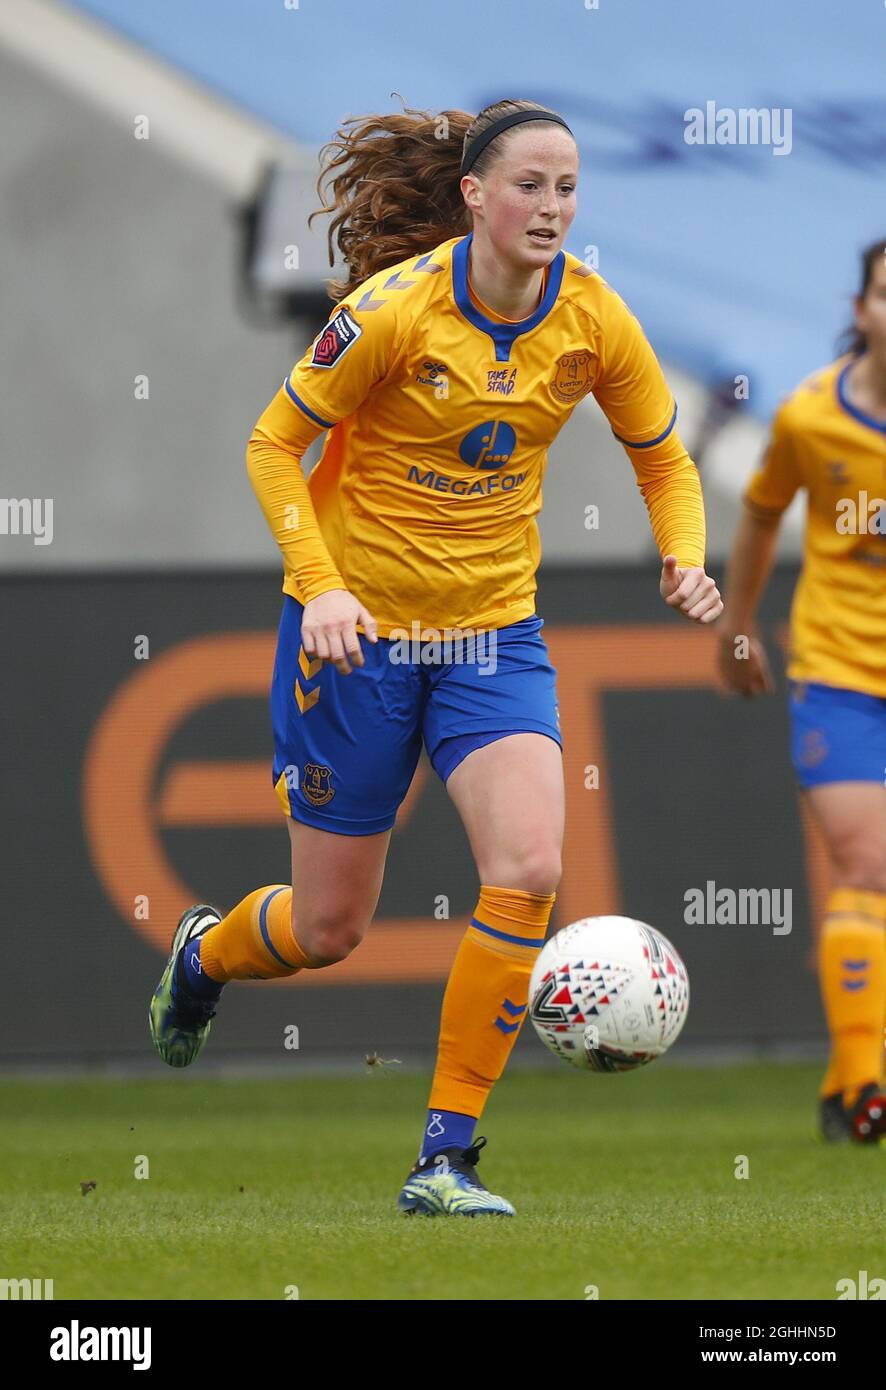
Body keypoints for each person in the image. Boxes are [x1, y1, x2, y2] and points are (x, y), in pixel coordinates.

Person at [150, 97, 722, 1214]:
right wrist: (319, 587)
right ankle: (205, 955)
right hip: (356, 639)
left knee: (528, 871)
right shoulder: (393, 312)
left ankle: (445, 1156)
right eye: (528, 186)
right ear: (473, 195)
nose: (551, 207)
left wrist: (684, 557)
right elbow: (274, 445)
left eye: (566, 188)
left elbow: (663, 458)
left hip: (491, 636)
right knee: (328, 932)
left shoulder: (596, 319)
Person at [718, 238, 886, 1143]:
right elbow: (759, 512)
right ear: (861, 311)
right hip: (842, 673)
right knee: (870, 868)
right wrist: (738, 622)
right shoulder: (811, 419)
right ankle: (867, 1086)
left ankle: (841, 1083)